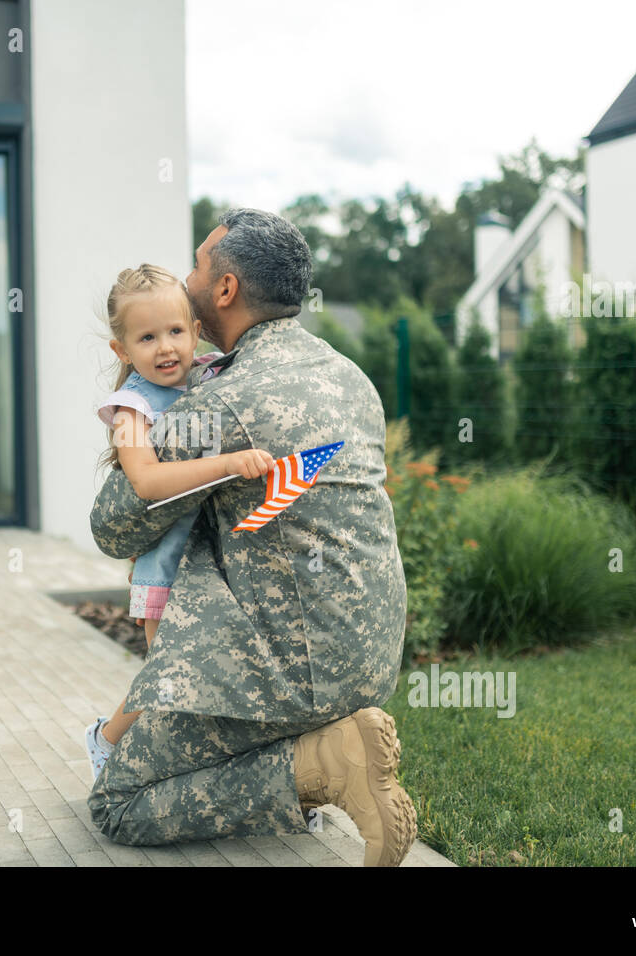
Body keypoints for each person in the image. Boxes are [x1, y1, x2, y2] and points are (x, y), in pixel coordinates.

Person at [86, 208, 418, 866]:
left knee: (116, 802)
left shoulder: (222, 400)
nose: (186, 281)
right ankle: (321, 745)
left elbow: (113, 525)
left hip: (283, 672)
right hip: (376, 656)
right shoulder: (350, 377)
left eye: (197, 266)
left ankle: (320, 765)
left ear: (226, 288)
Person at [83, 264, 275, 781]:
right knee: (168, 679)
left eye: (174, 331)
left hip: (217, 561)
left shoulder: (210, 377)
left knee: (205, 680)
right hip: (168, 568)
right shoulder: (131, 410)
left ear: (195, 330)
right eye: (147, 337)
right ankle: (107, 741)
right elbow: (146, 481)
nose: (165, 348)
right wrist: (229, 464)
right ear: (122, 350)